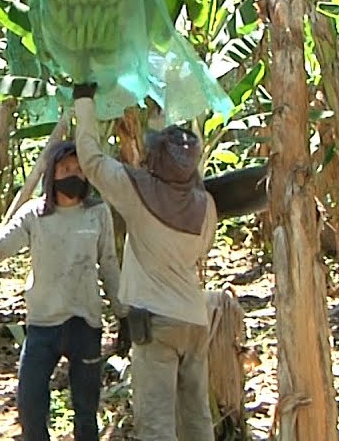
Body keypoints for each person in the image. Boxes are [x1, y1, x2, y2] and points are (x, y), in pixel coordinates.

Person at [0, 140, 126, 441]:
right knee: (30, 406)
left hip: (85, 323)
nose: (73, 174)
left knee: (86, 412)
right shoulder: (34, 215)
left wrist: (123, 313)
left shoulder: (98, 212)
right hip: (42, 326)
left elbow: (109, 265)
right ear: (52, 173)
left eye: (79, 169)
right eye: (66, 168)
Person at [70, 83, 216, 441]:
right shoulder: (205, 205)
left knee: (156, 424)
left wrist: (85, 101)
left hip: (157, 322)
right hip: (195, 320)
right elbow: (203, 249)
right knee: (197, 417)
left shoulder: (137, 190)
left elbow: (90, 160)